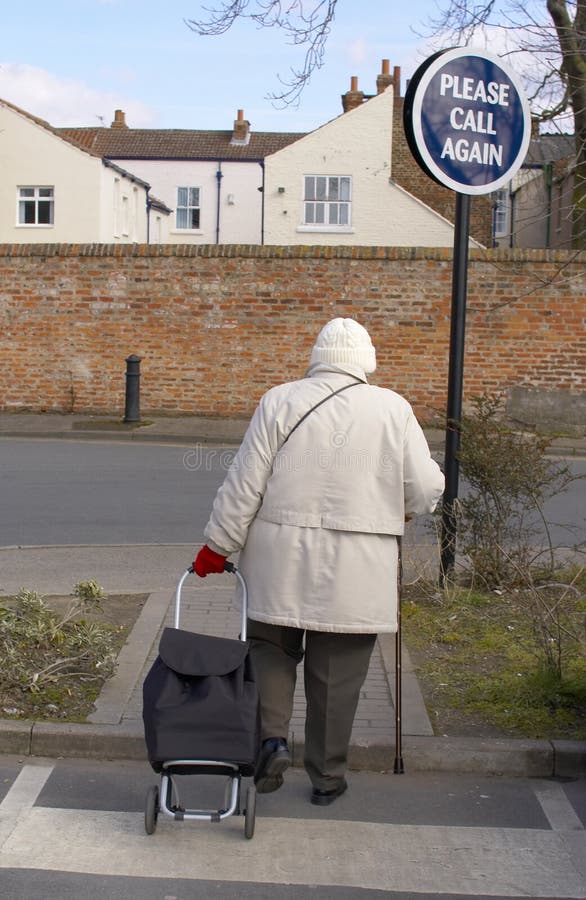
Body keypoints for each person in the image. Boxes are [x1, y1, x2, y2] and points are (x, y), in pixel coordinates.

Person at [193, 318, 444, 805]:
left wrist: (217, 547)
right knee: (338, 674)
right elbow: (427, 484)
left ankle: (271, 741)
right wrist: (403, 507)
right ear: (366, 361)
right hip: (358, 566)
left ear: (317, 356)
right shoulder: (392, 409)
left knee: (270, 651)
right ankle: (327, 778)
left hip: (277, 560)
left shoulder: (279, 401)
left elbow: (245, 485)